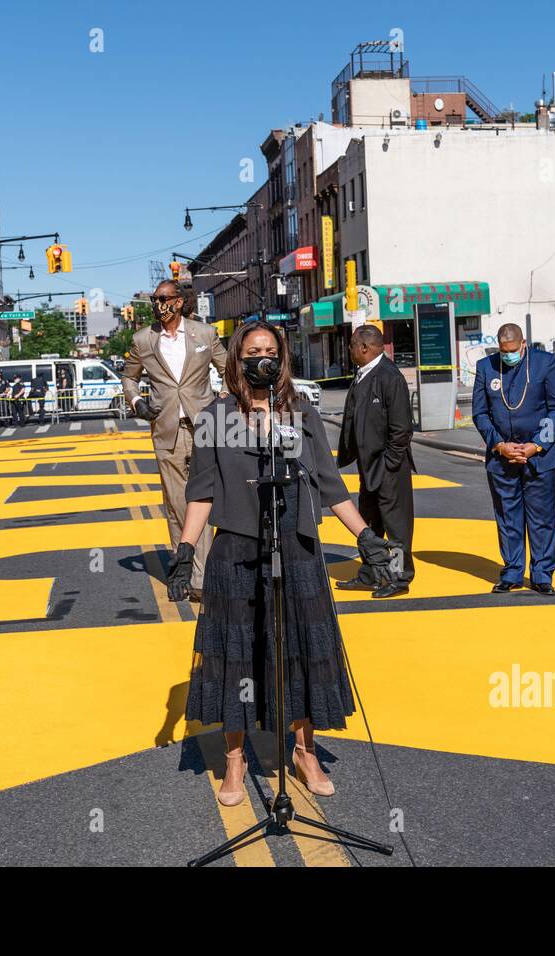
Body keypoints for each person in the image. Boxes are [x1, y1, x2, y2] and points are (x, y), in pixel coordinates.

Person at [167, 321, 398, 807]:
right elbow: (202, 491)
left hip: (296, 545)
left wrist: (367, 539)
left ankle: (304, 750)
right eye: (253, 351)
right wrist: (185, 552)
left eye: (270, 350)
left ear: (282, 358)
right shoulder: (215, 416)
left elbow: (331, 486)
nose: (262, 358)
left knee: (298, 649)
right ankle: (235, 759)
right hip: (237, 551)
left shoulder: (301, 413)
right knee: (237, 656)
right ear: (236, 359)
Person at [122, 279, 228, 600]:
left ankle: (203, 574)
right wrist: (137, 403)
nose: (158, 304)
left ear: (179, 301)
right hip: (166, 429)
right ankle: (185, 569)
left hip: (203, 428)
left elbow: (229, 369)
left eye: (163, 298)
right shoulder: (143, 339)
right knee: (176, 503)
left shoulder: (204, 334)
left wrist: (224, 399)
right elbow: (129, 377)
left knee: (203, 501)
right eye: (154, 299)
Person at [472, 323, 555, 595]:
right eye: (503, 351)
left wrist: (536, 445)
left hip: (539, 457)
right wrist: (499, 445)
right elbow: (480, 414)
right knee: (507, 516)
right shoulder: (485, 367)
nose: (508, 356)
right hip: (502, 457)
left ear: (523, 344)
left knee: (541, 518)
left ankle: (542, 573)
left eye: (512, 351)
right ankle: (512, 571)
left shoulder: (545, 364)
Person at [336, 324, 416, 598]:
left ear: (364, 348)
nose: (349, 351)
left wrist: (389, 464)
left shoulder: (388, 376)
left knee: (395, 526)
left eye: (351, 346)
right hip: (368, 466)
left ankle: (398, 577)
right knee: (369, 522)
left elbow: (402, 428)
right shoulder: (364, 374)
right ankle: (371, 572)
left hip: (387, 468)